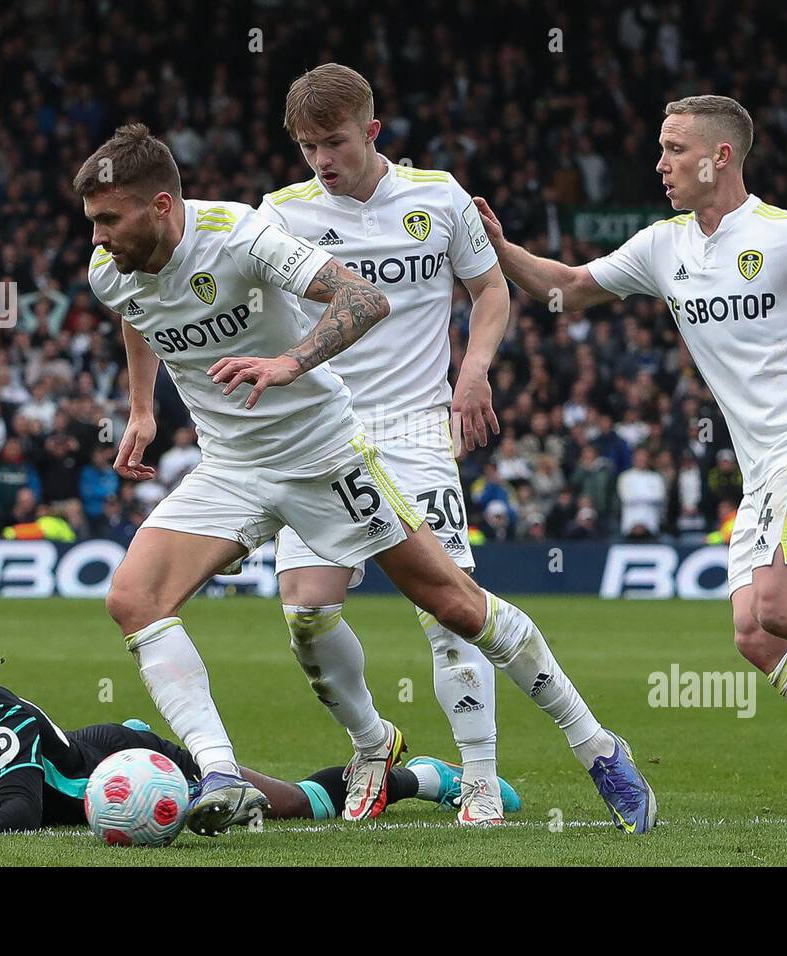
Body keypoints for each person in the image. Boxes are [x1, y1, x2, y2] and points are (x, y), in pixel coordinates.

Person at [76, 124, 655, 835]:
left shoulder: (242, 236)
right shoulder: (111, 269)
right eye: (93, 222)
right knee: (135, 598)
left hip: (325, 456)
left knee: (456, 605)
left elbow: (361, 300)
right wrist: (141, 409)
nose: (98, 237)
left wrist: (288, 364)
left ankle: (596, 745)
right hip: (232, 467)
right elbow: (137, 312)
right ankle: (223, 769)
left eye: (109, 219)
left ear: (162, 205)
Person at [474, 94, 787, 811]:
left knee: (777, 608)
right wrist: (500, 247)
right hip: (761, 469)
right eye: (660, 148)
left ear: (721, 156)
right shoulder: (662, 245)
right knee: (754, 632)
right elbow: (570, 289)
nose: (660, 163)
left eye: (674, 149)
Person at [257, 64, 513, 825]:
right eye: (306, 147)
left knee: (450, 611)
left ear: (372, 131)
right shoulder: (277, 213)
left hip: (413, 430)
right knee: (306, 612)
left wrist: (474, 371)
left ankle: (477, 776)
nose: (321, 160)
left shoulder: (437, 196)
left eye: (333, 142)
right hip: (318, 435)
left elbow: (491, 288)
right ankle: (373, 741)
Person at [0, 613, 517, 835]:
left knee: (287, 806)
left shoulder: (1, 722)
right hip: (87, 752)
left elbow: (25, 809)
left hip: (120, 762)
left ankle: (423, 778)